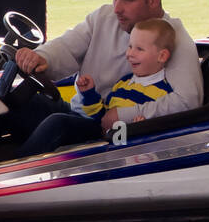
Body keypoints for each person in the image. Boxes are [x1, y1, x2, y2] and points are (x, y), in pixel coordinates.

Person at [0, 0, 202, 150]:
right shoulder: (104, 17)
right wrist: (41, 57)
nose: (117, 8)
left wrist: (123, 114)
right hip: (79, 110)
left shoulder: (175, 38)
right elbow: (67, 46)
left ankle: (2, 182)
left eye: (127, 0)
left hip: (110, 131)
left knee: (58, 125)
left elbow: (187, 101)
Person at [17, 17, 178, 157]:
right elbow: (101, 116)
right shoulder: (125, 83)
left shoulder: (163, 95)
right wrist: (89, 95)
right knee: (19, 99)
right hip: (102, 132)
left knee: (58, 124)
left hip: (111, 147)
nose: (129, 54)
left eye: (139, 49)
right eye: (130, 47)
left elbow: (145, 141)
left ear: (162, 56)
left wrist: (139, 129)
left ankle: (15, 170)